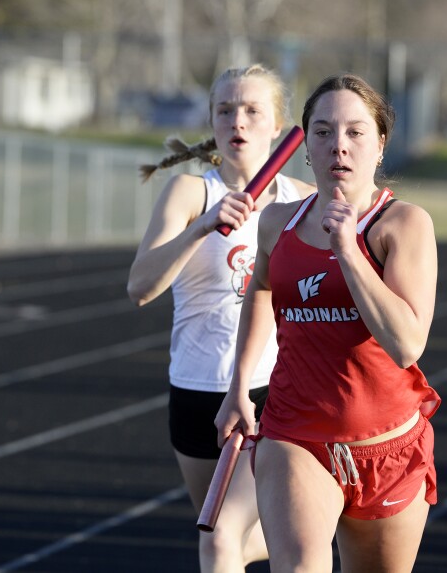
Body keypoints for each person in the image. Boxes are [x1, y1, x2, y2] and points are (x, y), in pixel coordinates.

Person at [215, 72, 441, 573]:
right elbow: (261, 292)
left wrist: (349, 251)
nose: (339, 145)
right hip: (296, 436)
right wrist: (238, 388)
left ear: (380, 146)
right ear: (306, 147)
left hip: (385, 446)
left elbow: (407, 344)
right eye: (323, 132)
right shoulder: (278, 222)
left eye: (355, 132)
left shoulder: (403, 225)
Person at [127, 64, 315, 571]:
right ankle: (308, 541)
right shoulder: (191, 193)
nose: (239, 121)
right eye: (226, 110)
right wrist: (201, 229)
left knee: (219, 542)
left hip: (273, 393)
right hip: (195, 391)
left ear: (277, 124)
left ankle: (308, 537)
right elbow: (140, 287)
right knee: (229, 535)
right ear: (211, 121)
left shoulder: (302, 201)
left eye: (253, 110)